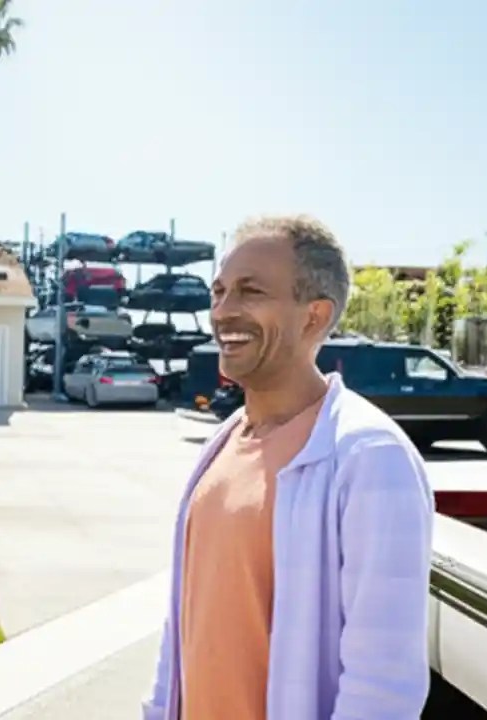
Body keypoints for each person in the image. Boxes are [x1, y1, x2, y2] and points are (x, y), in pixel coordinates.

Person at [142, 216, 435, 719]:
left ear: (314, 316)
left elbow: (382, 682)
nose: (223, 312)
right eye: (219, 291)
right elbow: (184, 623)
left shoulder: (370, 457)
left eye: (250, 292)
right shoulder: (224, 443)